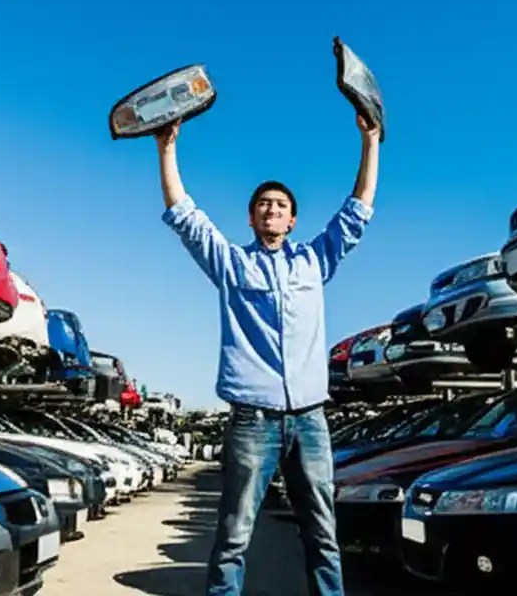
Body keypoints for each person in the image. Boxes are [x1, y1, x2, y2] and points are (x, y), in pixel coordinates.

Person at [155, 112, 380, 596]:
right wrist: (166, 148)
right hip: (252, 421)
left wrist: (371, 141)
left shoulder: (315, 260)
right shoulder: (232, 264)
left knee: (323, 534)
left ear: (292, 219)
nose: (271, 209)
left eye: (280, 205)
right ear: (251, 218)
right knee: (234, 536)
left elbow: (358, 209)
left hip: (311, 420)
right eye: (263, 204)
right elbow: (185, 217)